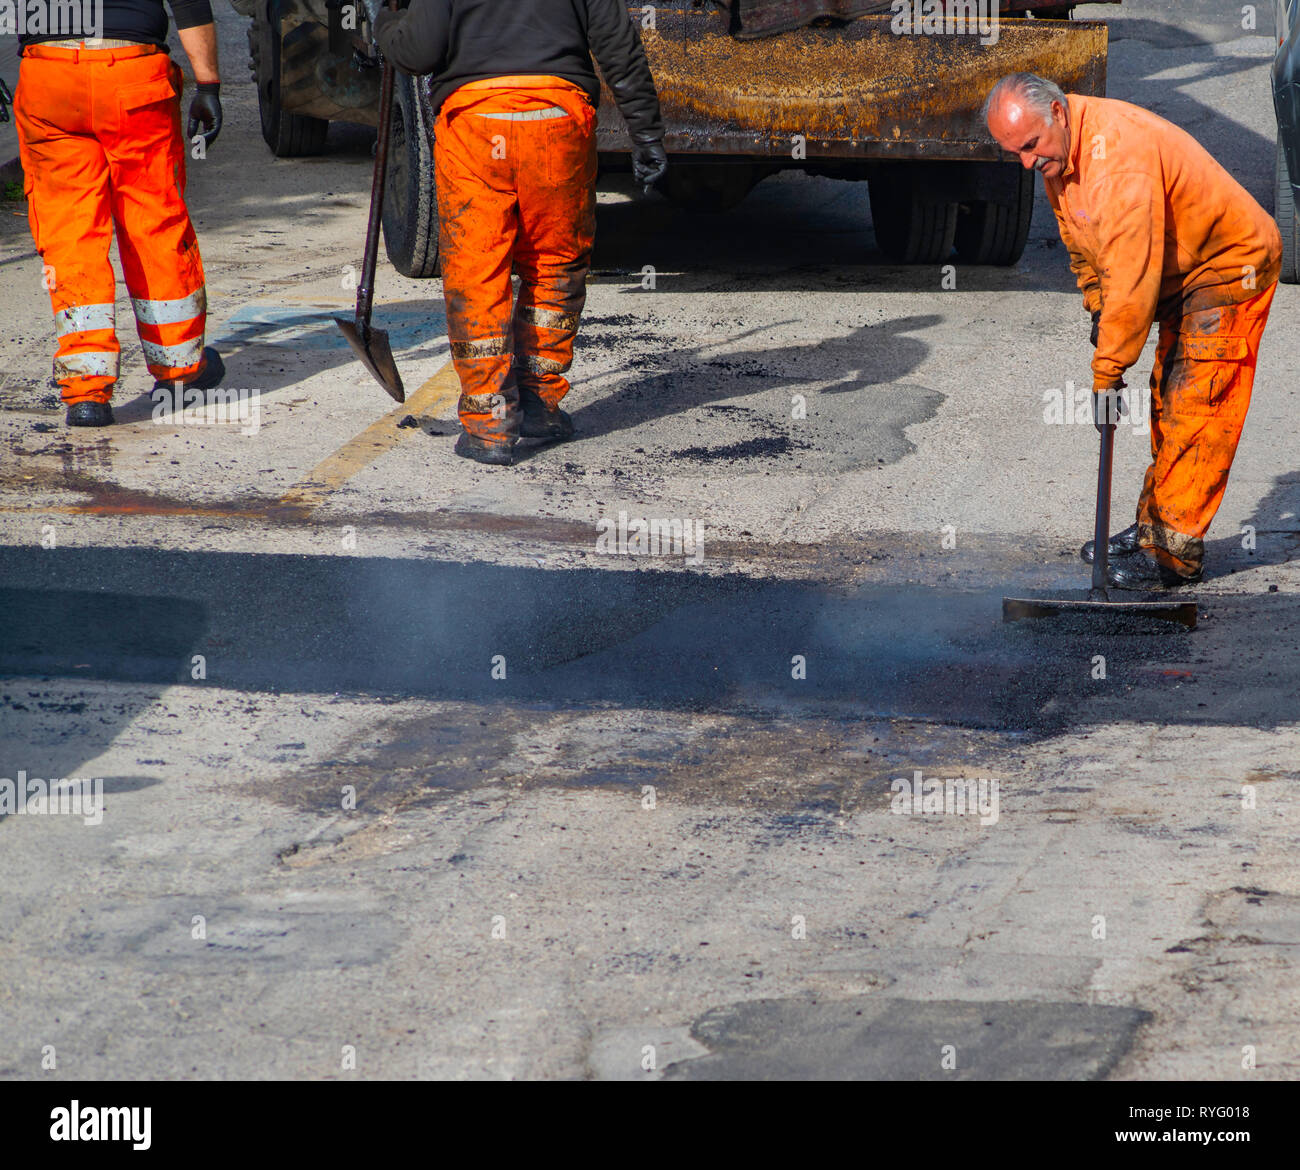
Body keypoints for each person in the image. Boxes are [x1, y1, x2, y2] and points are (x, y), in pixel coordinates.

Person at [985, 72, 1281, 588]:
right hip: (1183, 267)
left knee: (1197, 405)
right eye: (1016, 154)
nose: (1028, 163)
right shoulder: (1064, 153)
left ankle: (1172, 555)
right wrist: (1097, 306)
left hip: (1231, 263)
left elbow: (1131, 279)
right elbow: (1081, 241)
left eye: (1030, 146)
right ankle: (1154, 529)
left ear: (1056, 112)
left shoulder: (1116, 159)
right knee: (1168, 395)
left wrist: (1107, 372)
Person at [372, 0, 666, 466]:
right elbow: (618, 46)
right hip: (556, 120)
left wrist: (385, 25)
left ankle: (489, 422)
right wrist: (647, 134)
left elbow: (417, 51)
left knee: (476, 269)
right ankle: (540, 406)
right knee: (556, 263)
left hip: (477, 126)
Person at [14, 0, 226, 427]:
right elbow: (189, 5)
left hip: (49, 76)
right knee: (154, 221)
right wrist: (208, 87)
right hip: (133, 75)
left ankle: (86, 393)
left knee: (69, 234)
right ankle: (178, 371)